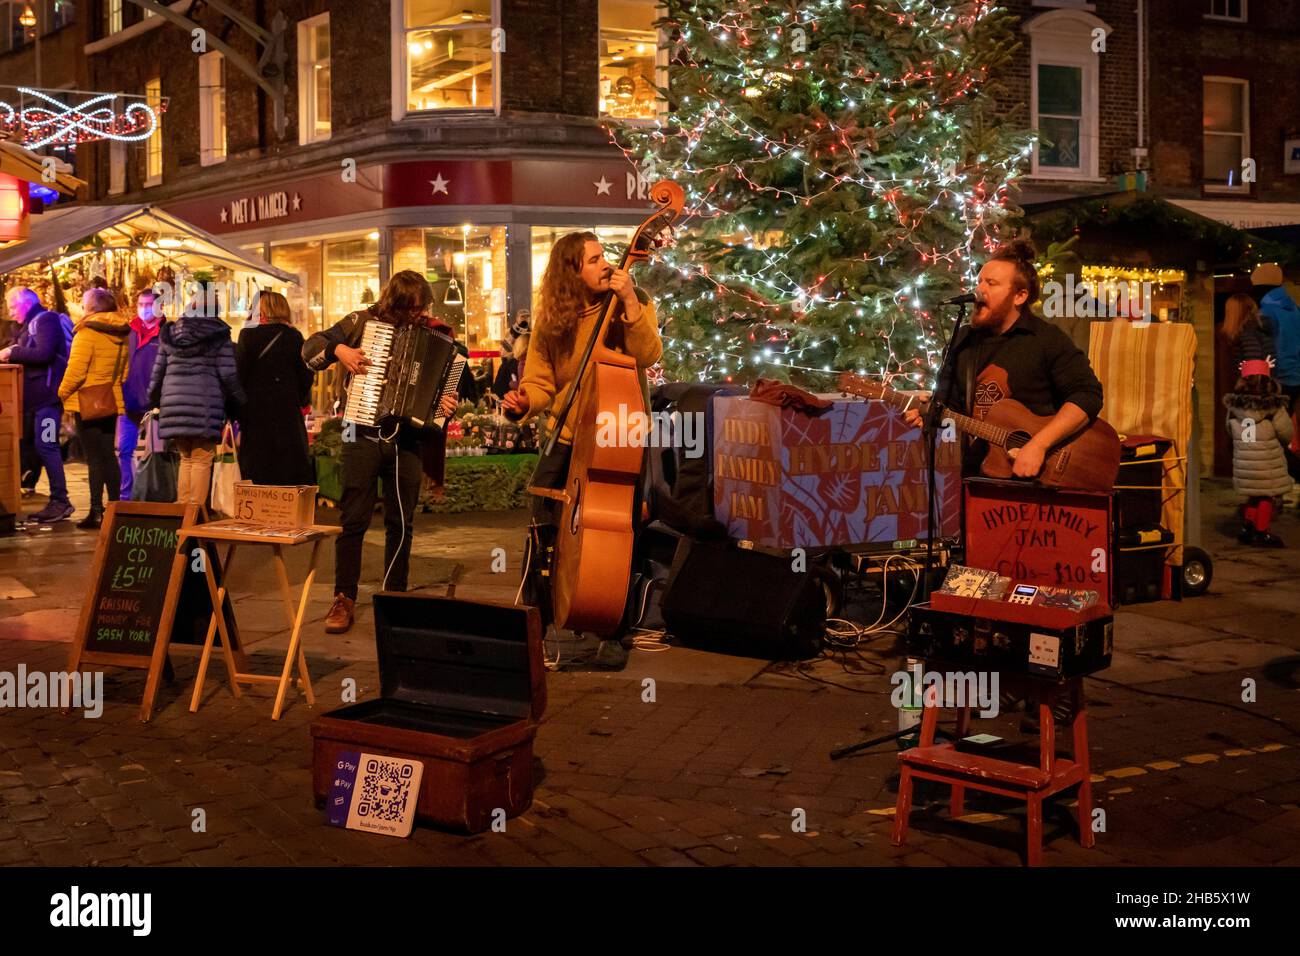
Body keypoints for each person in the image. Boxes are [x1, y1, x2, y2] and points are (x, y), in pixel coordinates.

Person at [501, 231, 662, 670]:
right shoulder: (554, 317)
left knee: (614, 532)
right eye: (593, 261)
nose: (605, 265)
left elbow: (648, 353)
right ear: (571, 272)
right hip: (565, 433)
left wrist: (629, 301)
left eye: (604, 257)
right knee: (543, 528)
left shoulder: (628, 300)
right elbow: (540, 381)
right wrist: (524, 402)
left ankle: (611, 628)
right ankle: (535, 621)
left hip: (614, 436)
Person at [302, 270, 459, 634]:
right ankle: (344, 598)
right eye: (412, 310)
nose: (419, 316)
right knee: (353, 521)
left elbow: (445, 389)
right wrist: (339, 350)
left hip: (407, 440)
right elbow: (309, 349)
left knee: (401, 522)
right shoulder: (361, 321)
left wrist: (445, 404)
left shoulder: (435, 333)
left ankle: (395, 596)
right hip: (361, 434)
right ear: (396, 304)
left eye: (423, 308)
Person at [902, 239, 1104, 480]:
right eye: (979, 282)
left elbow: (1088, 394)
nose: (979, 290)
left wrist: (1038, 445)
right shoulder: (963, 341)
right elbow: (951, 409)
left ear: (1019, 296)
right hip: (977, 474)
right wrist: (927, 414)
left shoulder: (1045, 339)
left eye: (991, 283)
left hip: (1038, 479)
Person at [148, 283, 246, 507]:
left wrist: (155, 401)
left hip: (173, 406)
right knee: (201, 460)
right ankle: (194, 513)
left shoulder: (170, 334)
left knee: (186, 459)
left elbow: (157, 374)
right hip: (204, 408)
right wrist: (240, 404)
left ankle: (182, 511)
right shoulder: (219, 336)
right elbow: (228, 375)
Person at [57, 289, 132, 529]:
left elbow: (76, 372)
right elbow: (125, 371)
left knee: (94, 458)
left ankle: (96, 512)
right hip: (111, 398)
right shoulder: (122, 333)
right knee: (109, 454)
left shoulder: (86, 332)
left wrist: (61, 393)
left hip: (86, 401)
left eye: (83, 302)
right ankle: (116, 508)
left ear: (92, 307)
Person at [0, 287, 75, 523]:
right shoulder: (29, 324)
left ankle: (61, 502)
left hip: (48, 402)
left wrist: (13, 351)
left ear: (26, 302)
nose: (11, 312)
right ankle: (58, 501)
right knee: (43, 446)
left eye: (13, 306)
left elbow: (44, 354)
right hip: (37, 402)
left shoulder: (46, 320)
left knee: (48, 446)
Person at [235, 290, 313, 485]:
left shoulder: (248, 335)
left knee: (258, 468)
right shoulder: (294, 337)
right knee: (286, 467)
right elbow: (305, 376)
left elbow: (239, 375)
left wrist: (238, 410)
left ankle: (260, 510)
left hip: (255, 414)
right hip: (286, 413)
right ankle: (284, 510)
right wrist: (299, 399)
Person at [1225, 360, 1292, 547]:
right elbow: (1286, 433)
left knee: (1254, 495)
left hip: (1244, 462)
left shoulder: (1234, 408)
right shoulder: (1274, 408)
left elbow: (1229, 430)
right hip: (1267, 462)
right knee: (1265, 496)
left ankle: (1248, 527)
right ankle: (1262, 532)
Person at [118, 288, 164, 500]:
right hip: (129, 401)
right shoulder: (129, 331)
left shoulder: (167, 332)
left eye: (148, 305)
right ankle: (127, 496)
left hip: (155, 403)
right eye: (141, 304)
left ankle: (153, 494)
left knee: (155, 452)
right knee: (124, 451)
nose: (144, 309)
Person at [1252, 263, 1300, 415]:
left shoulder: (1265, 313)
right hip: (1296, 375)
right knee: (1286, 426)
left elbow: (1258, 347)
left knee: (1271, 429)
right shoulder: (1294, 308)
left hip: (1277, 377)